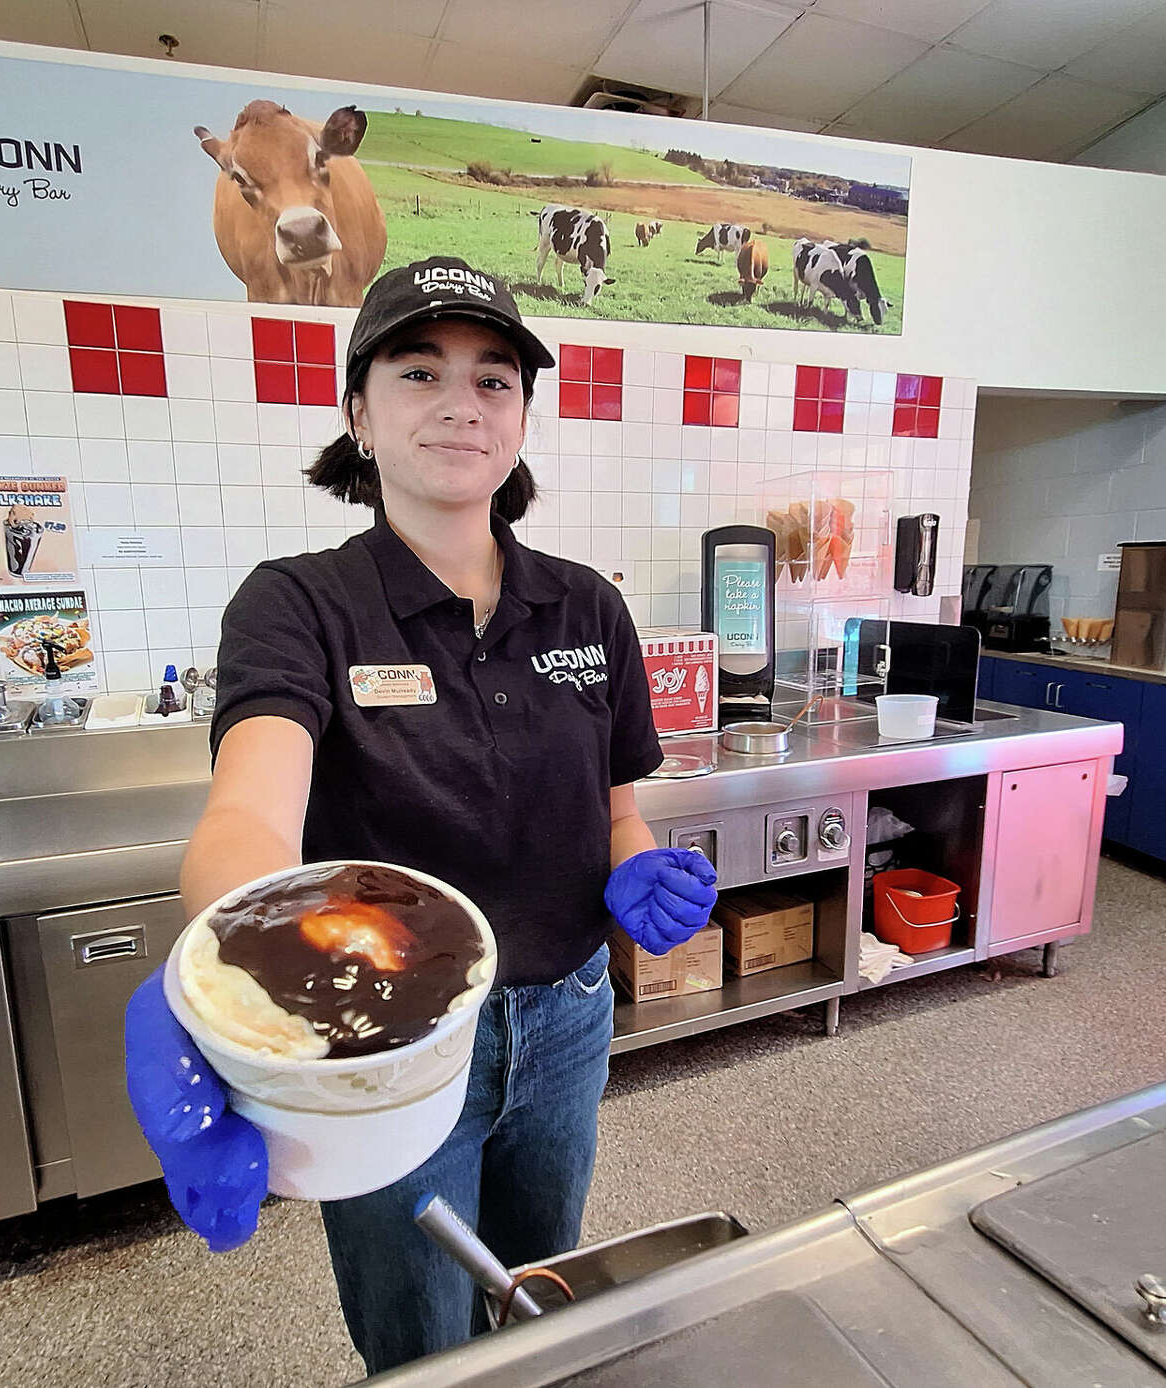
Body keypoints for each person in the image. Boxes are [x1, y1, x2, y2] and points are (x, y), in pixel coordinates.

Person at [123, 256, 719, 1374]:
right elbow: (253, 806)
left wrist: (637, 861)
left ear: (524, 415)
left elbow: (617, 807)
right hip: (393, 1046)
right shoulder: (300, 602)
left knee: (547, 1301)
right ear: (358, 411)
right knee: (423, 1338)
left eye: (495, 379)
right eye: (418, 371)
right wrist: (214, 962)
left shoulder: (587, 602)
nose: (461, 402)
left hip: (567, 1015)